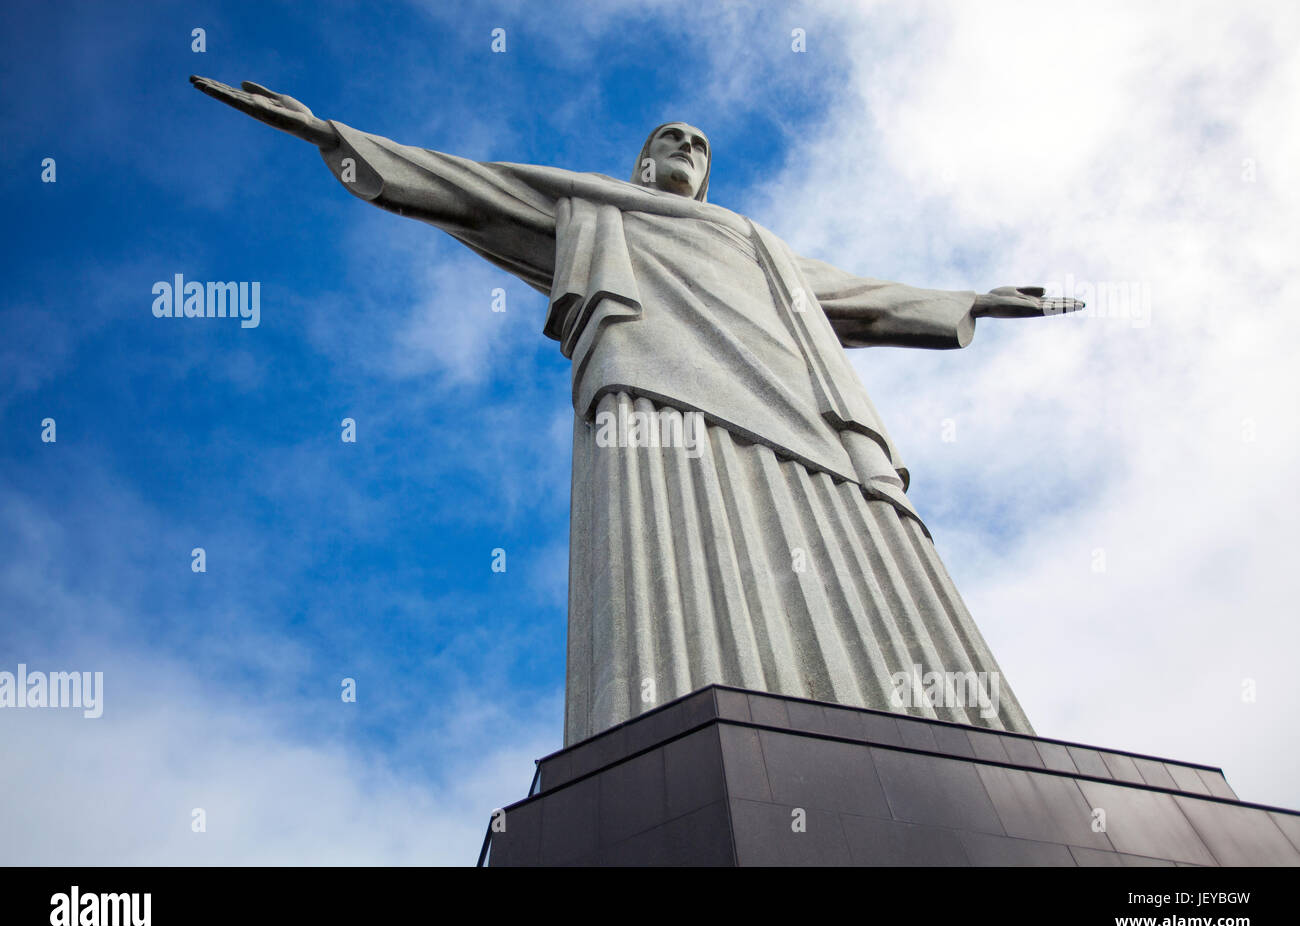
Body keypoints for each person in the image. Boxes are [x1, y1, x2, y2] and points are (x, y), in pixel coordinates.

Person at [191, 77, 1084, 743]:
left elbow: (858, 295)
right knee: (674, 558)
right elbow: (471, 186)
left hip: (807, 414)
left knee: (861, 554)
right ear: (641, 163)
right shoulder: (595, 206)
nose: (690, 146)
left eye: (701, 143)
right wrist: (334, 138)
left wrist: (970, 300)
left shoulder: (754, 242)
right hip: (659, 392)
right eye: (673, 137)